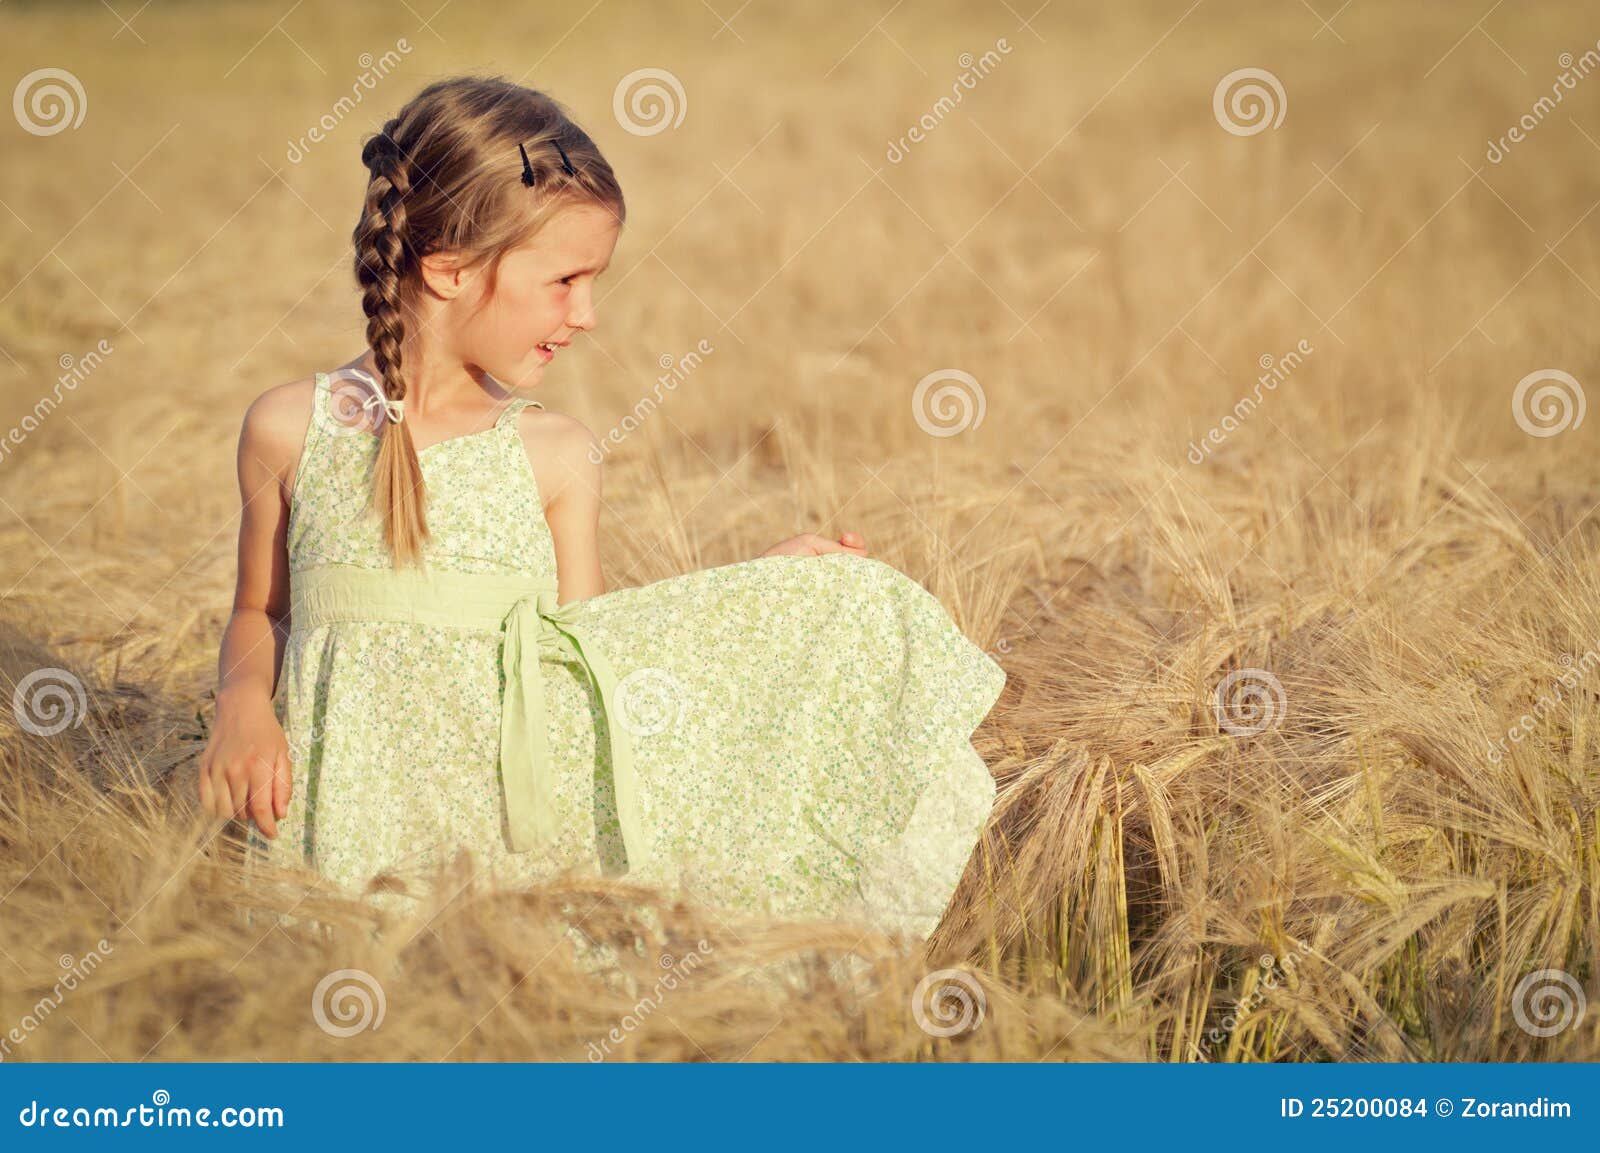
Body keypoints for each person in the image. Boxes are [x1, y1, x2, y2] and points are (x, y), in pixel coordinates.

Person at [197, 75, 1005, 941]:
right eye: (566, 280)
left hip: (507, 862)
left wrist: (760, 593)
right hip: (336, 844)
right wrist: (243, 703)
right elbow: (261, 610)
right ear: (450, 269)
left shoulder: (552, 453)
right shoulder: (291, 429)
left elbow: (599, 657)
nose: (587, 314)